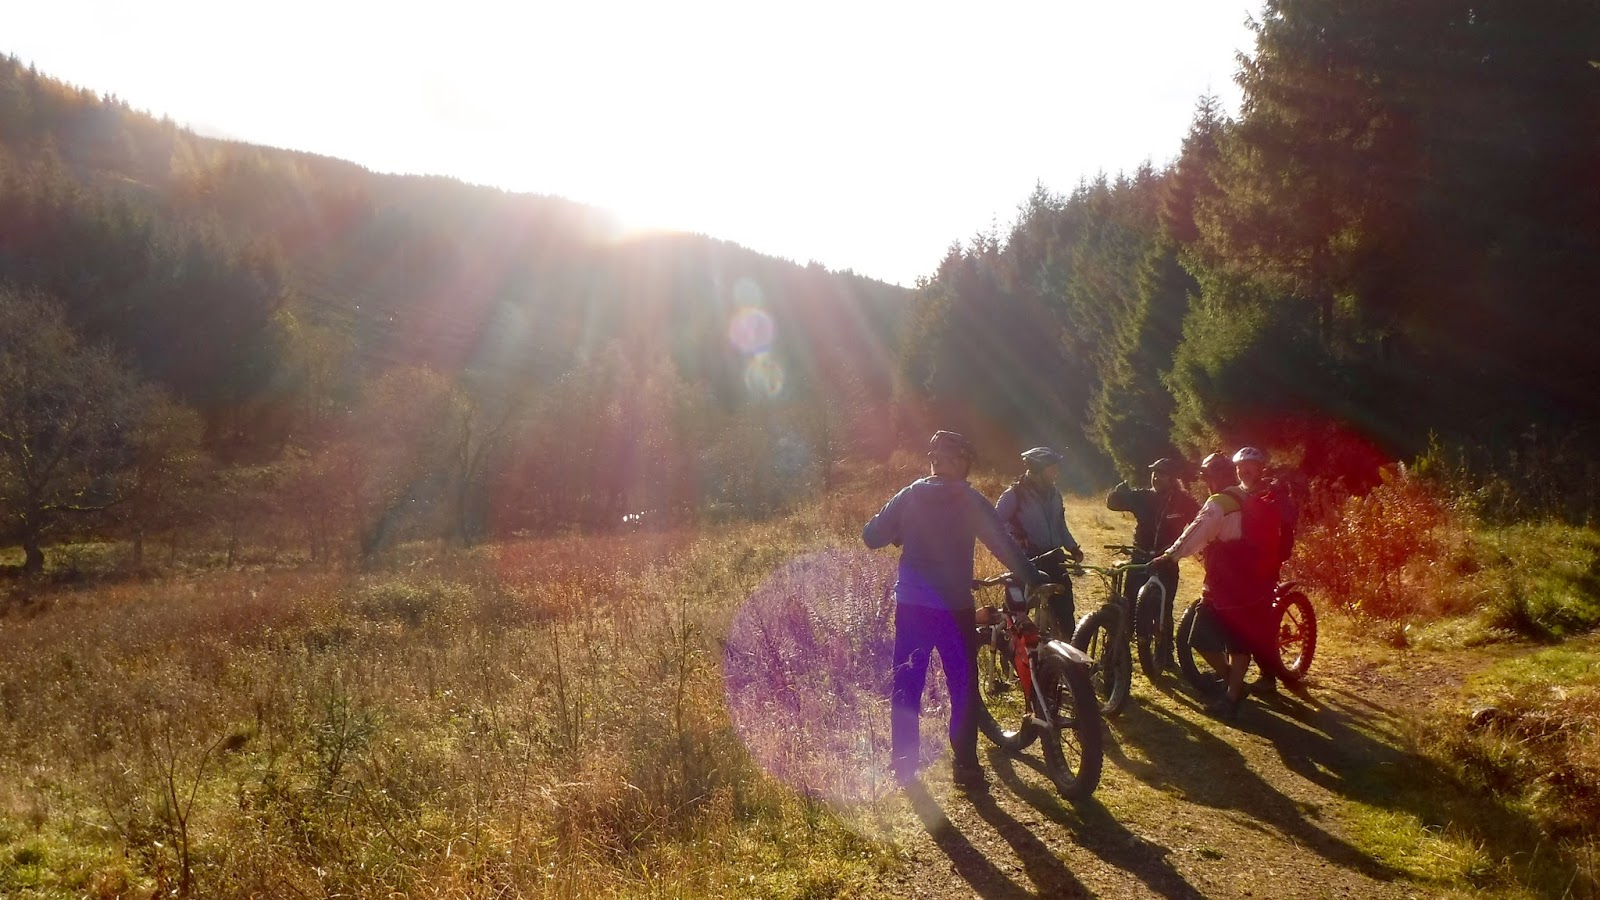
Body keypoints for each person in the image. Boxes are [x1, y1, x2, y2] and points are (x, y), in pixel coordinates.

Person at [863, 430, 1053, 791]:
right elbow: (1004, 545)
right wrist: (1033, 576)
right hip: (955, 607)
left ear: (935, 460)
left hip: (913, 606)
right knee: (962, 687)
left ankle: (904, 767)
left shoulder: (909, 495)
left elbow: (871, 536)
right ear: (962, 463)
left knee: (908, 684)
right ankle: (966, 767)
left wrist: (902, 531)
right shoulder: (970, 500)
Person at [1149, 453, 1279, 719]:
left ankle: (1233, 693)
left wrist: (1170, 556)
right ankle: (1235, 688)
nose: (1205, 481)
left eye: (1206, 476)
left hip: (1226, 582)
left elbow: (1195, 533)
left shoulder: (1220, 502)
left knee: (1201, 637)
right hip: (1252, 580)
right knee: (1238, 641)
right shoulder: (1250, 498)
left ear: (1212, 477)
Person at [1106, 458, 1201, 668]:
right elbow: (1112, 504)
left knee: (1164, 608)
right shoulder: (1143, 496)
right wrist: (1118, 492)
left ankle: (1165, 653)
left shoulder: (1184, 501)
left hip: (1166, 561)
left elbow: (1200, 522)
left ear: (1173, 478)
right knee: (1130, 604)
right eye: (1154, 473)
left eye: (1162, 474)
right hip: (1140, 559)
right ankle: (1118, 653)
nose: (1156, 478)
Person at [1231, 446, 1299, 695]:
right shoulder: (1237, 493)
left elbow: (1288, 521)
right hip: (1240, 564)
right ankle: (1234, 673)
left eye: (1249, 467)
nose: (1244, 471)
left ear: (1260, 469)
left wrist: (1278, 557)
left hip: (1265, 565)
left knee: (1260, 623)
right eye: (1240, 467)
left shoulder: (1273, 493)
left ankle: (1268, 677)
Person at [995, 446, 1083, 635]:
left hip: (1054, 559)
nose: (1057, 472)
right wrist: (1014, 539)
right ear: (1038, 468)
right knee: (1017, 615)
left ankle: (1068, 655)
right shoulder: (1014, 495)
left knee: (1066, 612)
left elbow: (1060, 525)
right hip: (1026, 562)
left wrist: (1072, 547)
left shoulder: (1055, 494)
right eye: (1052, 468)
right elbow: (995, 525)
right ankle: (1012, 652)